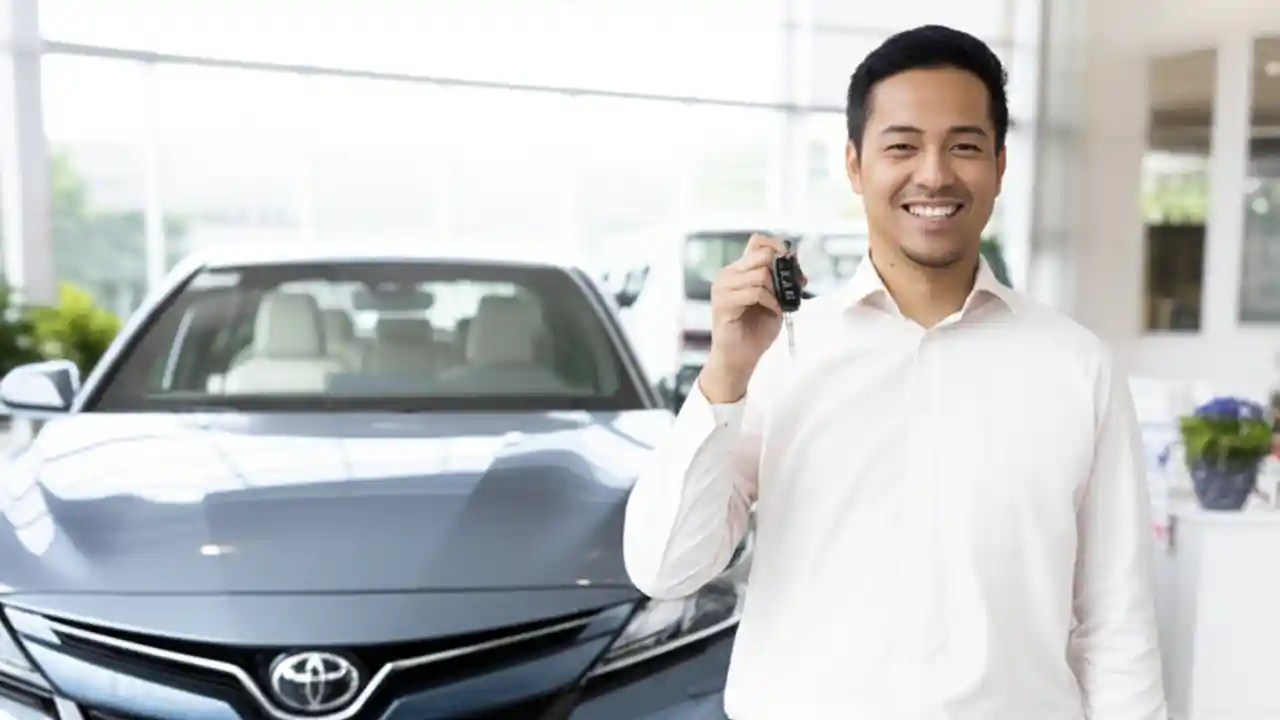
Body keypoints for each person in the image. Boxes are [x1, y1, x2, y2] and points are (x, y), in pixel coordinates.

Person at [622, 24, 1167, 720]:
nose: (933, 175)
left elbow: (1117, 621)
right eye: (902, 146)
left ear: (1000, 165)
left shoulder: (1077, 365)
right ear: (855, 165)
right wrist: (726, 371)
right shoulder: (781, 352)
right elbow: (667, 568)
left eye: (964, 146)